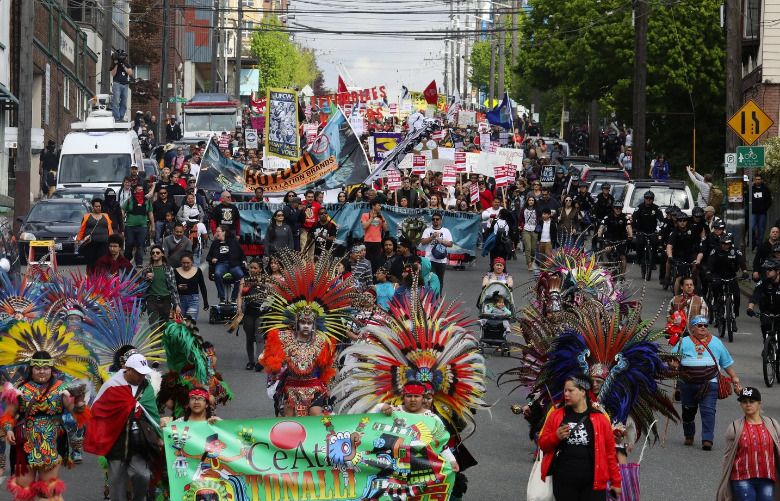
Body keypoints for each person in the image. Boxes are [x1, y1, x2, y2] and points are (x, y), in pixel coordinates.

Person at [0, 321, 92, 501]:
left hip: (51, 444)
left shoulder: (62, 389)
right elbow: (8, 416)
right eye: (38, 368)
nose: (42, 372)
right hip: (24, 445)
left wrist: (80, 402)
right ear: (31, 369)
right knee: (24, 490)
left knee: (48, 491)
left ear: (52, 369)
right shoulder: (20, 390)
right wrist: (9, 429)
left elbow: (78, 415)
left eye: (46, 368)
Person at [260, 253, 358, 416]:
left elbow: (327, 369)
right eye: (303, 322)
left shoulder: (322, 341)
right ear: (296, 324)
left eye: (309, 323)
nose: (306, 325)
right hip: (290, 388)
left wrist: (327, 386)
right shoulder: (284, 338)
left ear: (314, 325)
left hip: (314, 388)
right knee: (289, 421)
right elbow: (273, 366)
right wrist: (273, 362)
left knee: (316, 416)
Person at [85, 353, 160, 501]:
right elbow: (97, 410)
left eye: (143, 373)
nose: (141, 376)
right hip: (115, 442)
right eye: (138, 373)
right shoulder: (112, 385)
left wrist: (159, 436)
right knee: (117, 485)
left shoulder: (147, 387)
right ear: (128, 369)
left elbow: (153, 414)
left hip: (140, 442)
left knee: (143, 475)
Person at [537, 377, 622, 500]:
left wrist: (616, 482)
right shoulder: (556, 415)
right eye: (565, 390)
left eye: (570, 390)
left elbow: (610, 453)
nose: (566, 394)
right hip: (564, 482)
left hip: (593, 484)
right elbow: (543, 445)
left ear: (583, 391)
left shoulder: (601, 419)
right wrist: (556, 436)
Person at [672, 315, 741, 450]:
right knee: (688, 411)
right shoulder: (683, 342)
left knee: (708, 411)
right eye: (699, 325)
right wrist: (673, 364)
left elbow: (726, 363)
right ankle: (689, 435)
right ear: (692, 328)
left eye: (705, 325)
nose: (703, 327)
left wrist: (734, 377)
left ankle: (707, 439)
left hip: (710, 382)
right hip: (687, 383)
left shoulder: (716, 342)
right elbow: (673, 359)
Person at [716, 387, 780, 501]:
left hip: (767, 478)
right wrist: (725, 481)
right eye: (744, 402)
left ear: (759, 403)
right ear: (741, 405)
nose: (748, 404)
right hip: (742, 479)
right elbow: (727, 457)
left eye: (752, 401)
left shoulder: (772, 424)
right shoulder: (734, 427)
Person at [706, 234, 748, 332]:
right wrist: (708, 272)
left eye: (728, 244)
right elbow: (710, 262)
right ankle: (716, 302)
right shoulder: (715, 251)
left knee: (737, 295)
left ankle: (734, 315)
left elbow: (741, 261)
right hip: (718, 275)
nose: (725, 245)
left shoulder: (735, 251)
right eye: (724, 243)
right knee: (715, 285)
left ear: (730, 244)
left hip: (731, 276)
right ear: (721, 243)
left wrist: (745, 271)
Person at [236, 259, 266, 371]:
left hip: (261, 313)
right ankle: (251, 361)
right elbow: (240, 295)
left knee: (259, 338)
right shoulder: (245, 280)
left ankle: (259, 362)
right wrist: (239, 308)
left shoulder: (266, 280)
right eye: (251, 267)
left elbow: (271, 296)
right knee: (249, 338)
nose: (252, 270)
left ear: (260, 269)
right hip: (248, 313)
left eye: (255, 268)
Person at [141, 244, 182, 324]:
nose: (155, 254)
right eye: (153, 253)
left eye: (157, 252)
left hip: (166, 301)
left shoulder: (168, 268)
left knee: (164, 327)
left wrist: (177, 304)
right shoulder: (147, 269)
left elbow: (173, 288)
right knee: (154, 327)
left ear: (162, 254)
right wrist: (146, 278)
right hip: (152, 300)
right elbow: (141, 287)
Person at [207, 227, 246, 304]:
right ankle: (222, 297)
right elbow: (208, 257)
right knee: (217, 274)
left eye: (218, 231)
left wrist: (244, 261)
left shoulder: (234, 242)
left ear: (224, 232)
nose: (216, 233)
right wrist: (212, 259)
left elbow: (242, 254)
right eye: (216, 231)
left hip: (233, 264)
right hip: (221, 264)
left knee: (240, 275)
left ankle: (234, 297)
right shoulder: (215, 243)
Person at [76, 197, 113, 275]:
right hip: (90, 244)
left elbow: (110, 229)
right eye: (96, 206)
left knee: (102, 262)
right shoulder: (87, 216)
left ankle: (101, 278)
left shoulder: (106, 216)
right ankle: (90, 278)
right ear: (93, 207)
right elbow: (82, 229)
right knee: (91, 263)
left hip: (104, 244)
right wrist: (79, 239)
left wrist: (112, 240)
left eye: (99, 206)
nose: (98, 208)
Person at [596, 201, 632, 275]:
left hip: (621, 239)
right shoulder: (608, 217)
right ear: (613, 208)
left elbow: (629, 227)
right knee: (607, 250)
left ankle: (622, 275)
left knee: (622, 257)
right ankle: (607, 265)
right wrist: (599, 236)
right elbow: (601, 227)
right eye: (616, 208)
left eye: (620, 208)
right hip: (609, 239)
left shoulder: (624, 217)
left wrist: (630, 236)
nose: (618, 209)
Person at [747, 259, 780, 340]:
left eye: (770, 270)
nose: (767, 271)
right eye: (766, 269)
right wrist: (750, 308)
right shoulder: (763, 282)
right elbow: (755, 295)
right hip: (766, 311)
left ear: (778, 271)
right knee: (766, 325)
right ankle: (766, 343)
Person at [122, 185, 154, 267]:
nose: (141, 191)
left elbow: (150, 214)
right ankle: (127, 260)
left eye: (142, 190)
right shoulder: (130, 200)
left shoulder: (147, 201)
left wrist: (153, 226)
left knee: (140, 244)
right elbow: (123, 210)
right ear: (135, 191)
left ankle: (139, 262)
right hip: (130, 226)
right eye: (139, 190)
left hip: (142, 227)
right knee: (129, 243)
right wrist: (122, 220)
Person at [420, 212, 453, 288]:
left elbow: (450, 244)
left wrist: (440, 240)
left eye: (437, 219)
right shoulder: (427, 230)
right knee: (429, 279)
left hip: (441, 260)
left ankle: (438, 294)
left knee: (439, 280)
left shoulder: (446, 231)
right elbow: (423, 242)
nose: (435, 221)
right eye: (433, 219)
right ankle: (430, 295)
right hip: (429, 259)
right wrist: (432, 237)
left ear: (441, 220)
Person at [174, 251, 208, 321]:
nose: (186, 265)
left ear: (192, 262)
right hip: (180, 301)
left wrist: (205, 302)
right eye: (183, 263)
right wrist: (178, 287)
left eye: (188, 263)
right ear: (180, 262)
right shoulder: (175, 271)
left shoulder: (198, 271)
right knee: (180, 323)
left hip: (193, 300)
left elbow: (202, 287)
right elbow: (172, 287)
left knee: (190, 322)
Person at [361, 200, 388, 270]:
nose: (380, 207)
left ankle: (375, 275)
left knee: (376, 262)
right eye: (378, 205)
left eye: (380, 206)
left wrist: (383, 219)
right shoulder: (365, 215)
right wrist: (372, 218)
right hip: (368, 241)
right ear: (373, 206)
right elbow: (364, 226)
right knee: (367, 261)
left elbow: (385, 229)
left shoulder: (380, 217)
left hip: (377, 242)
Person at [752, 173, 773, 250]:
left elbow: (769, 200)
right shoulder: (751, 189)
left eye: (759, 179)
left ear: (762, 180)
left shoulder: (766, 189)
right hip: (753, 212)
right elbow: (747, 199)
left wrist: (765, 208)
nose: (758, 181)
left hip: (762, 213)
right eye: (756, 179)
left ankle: (759, 245)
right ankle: (753, 242)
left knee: (761, 229)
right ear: (754, 180)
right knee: (752, 227)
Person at [110, 49, 133, 121]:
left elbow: (130, 73)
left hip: (125, 84)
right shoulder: (114, 64)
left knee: (124, 102)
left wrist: (123, 65)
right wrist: (116, 64)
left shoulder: (126, 63)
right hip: (117, 83)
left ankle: (121, 117)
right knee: (116, 101)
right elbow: (113, 74)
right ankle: (116, 117)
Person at [299, 190, 321, 259]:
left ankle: (310, 265)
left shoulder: (317, 205)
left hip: (313, 230)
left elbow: (320, 216)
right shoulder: (301, 203)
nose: (310, 198)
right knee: (304, 249)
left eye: (312, 197)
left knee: (311, 250)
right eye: (309, 197)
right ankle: (303, 265)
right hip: (304, 229)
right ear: (305, 197)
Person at [520, 196, 540, 271]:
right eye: (529, 200)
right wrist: (521, 225)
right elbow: (520, 219)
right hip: (526, 229)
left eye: (532, 200)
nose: (531, 201)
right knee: (528, 248)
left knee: (533, 249)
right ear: (527, 201)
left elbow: (540, 219)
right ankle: (529, 264)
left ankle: (531, 261)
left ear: (534, 202)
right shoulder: (524, 209)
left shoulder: (537, 209)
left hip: (534, 230)